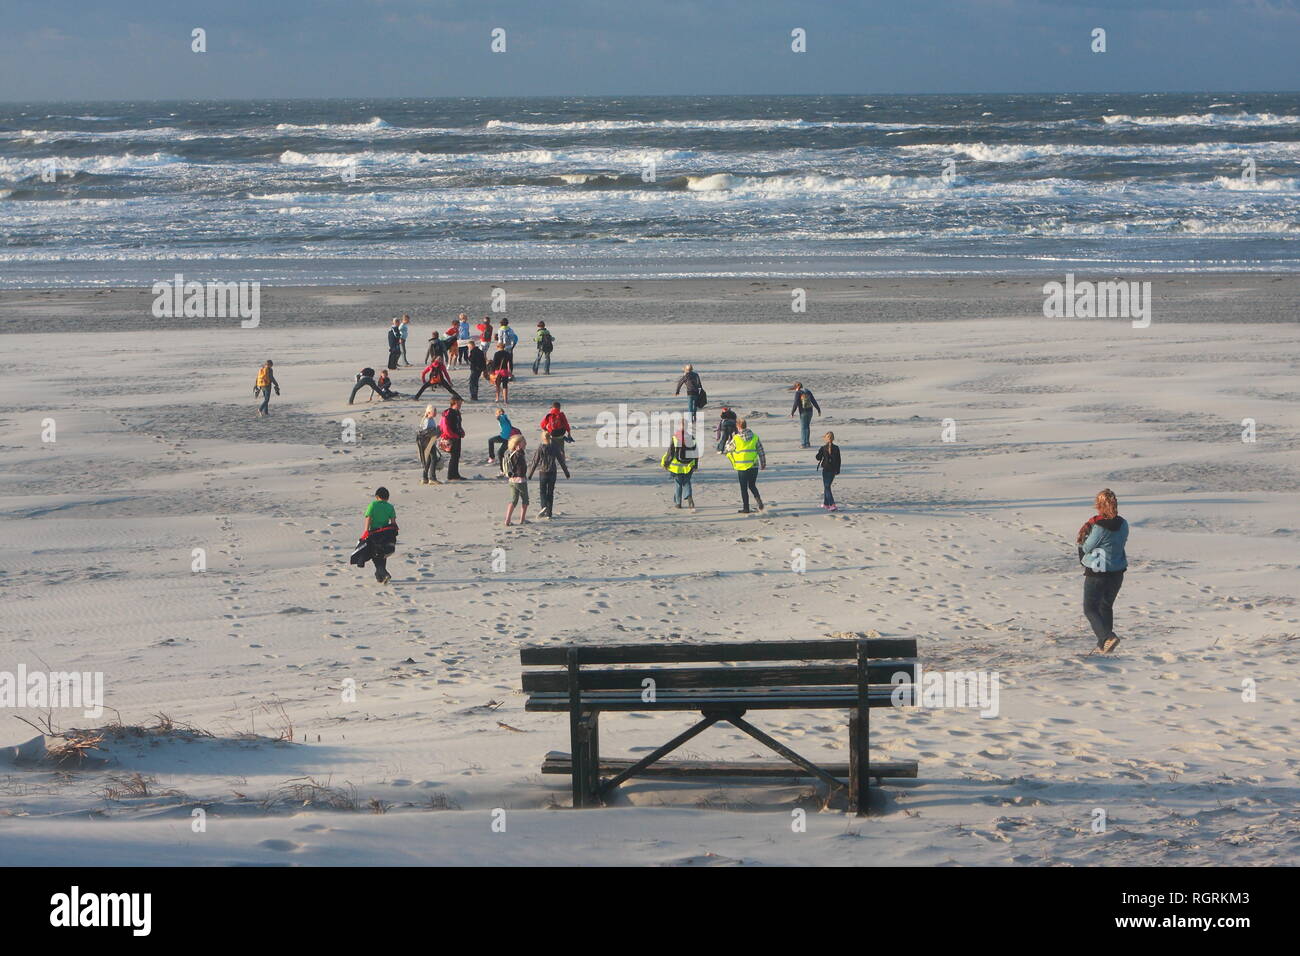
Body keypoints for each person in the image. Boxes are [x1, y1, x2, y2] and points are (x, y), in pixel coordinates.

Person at [1077, 489, 1129, 654]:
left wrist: (1085, 535)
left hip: (1098, 571)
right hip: (1117, 572)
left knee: (1090, 608)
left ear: (1099, 506)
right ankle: (1104, 644)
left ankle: (1107, 637)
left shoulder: (1099, 527)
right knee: (1106, 606)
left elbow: (1086, 547)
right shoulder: (1123, 524)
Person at [350, 487, 398, 584]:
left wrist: (366, 531)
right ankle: (379, 576)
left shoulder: (373, 505)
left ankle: (384, 573)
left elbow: (368, 518)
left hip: (374, 534)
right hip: (386, 534)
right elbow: (393, 522)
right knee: (382, 554)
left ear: (377, 497)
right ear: (387, 497)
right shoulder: (390, 507)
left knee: (375, 554)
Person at [724, 418, 766, 513]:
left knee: (744, 488)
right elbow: (761, 451)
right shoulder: (755, 436)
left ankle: (746, 508)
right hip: (753, 466)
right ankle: (759, 501)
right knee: (752, 485)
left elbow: (727, 450)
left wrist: (728, 441)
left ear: (738, 426)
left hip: (742, 467)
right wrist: (763, 463)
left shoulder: (736, 438)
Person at [528, 430, 571, 519]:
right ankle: (549, 513)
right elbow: (561, 461)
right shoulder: (554, 447)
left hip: (543, 472)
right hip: (552, 472)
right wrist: (566, 473)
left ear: (542, 438)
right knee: (550, 492)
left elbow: (535, 461)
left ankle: (543, 507)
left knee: (542, 491)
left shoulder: (540, 447)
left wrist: (530, 474)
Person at [662, 426, 698, 510]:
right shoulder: (692, 438)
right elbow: (696, 453)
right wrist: (695, 465)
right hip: (689, 465)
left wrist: (665, 463)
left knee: (678, 484)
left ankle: (678, 503)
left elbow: (670, 453)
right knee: (687, 482)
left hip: (676, 467)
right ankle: (689, 497)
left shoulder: (675, 438)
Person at [503, 434, 529, 526]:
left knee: (513, 500)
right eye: (523, 442)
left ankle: (507, 520)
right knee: (525, 500)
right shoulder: (519, 454)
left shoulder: (511, 453)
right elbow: (521, 468)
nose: (525, 443)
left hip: (512, 480)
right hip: (520, 480)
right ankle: (522, 520)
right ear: (518, 444)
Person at [790, 382, 822, 449]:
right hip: (810, 411)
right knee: (807, 427)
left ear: (797, 387)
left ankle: (803, 444)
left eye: (795, 387)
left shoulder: (798, 393)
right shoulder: (808, 391)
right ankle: (807, 443)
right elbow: (813, 401)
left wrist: (792, 412)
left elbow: (795, 403)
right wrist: (818, 409)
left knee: (803, 428)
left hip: (803, 412)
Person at [441, 397, 466, 480]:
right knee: (454, 456)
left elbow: (458, 424)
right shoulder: (449, 412)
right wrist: (453, 435)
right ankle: (451, 475)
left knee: (456, 456)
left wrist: (461, 431)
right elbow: (446, 427)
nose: (460, 405)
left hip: (457, 436)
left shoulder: (457, 412)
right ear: (454, 403)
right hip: (451, 437)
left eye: (460, 404)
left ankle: (455, 474)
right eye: (459, 403)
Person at [416, 404, 442, 485]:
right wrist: (437, 431)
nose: (436, 413)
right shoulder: (427, 420)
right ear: (429, 412)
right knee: (433, 458)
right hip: (428, 442)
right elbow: (426, 432)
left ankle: (425, 478)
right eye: (434, 411)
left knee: (429, 459)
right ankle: (432, 478)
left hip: (428, 442)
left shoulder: (429, 419)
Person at [815, 431, 840, 511]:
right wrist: (837, 470)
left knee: (827, 487)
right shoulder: (836, 448)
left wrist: (819, 453)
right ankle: (826, 504)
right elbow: (839, 460)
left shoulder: (823, 448)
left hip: (826, 469)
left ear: (826, 439)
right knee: (827, 486)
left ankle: (832, 504)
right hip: (833, 470)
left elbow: (818, 457)